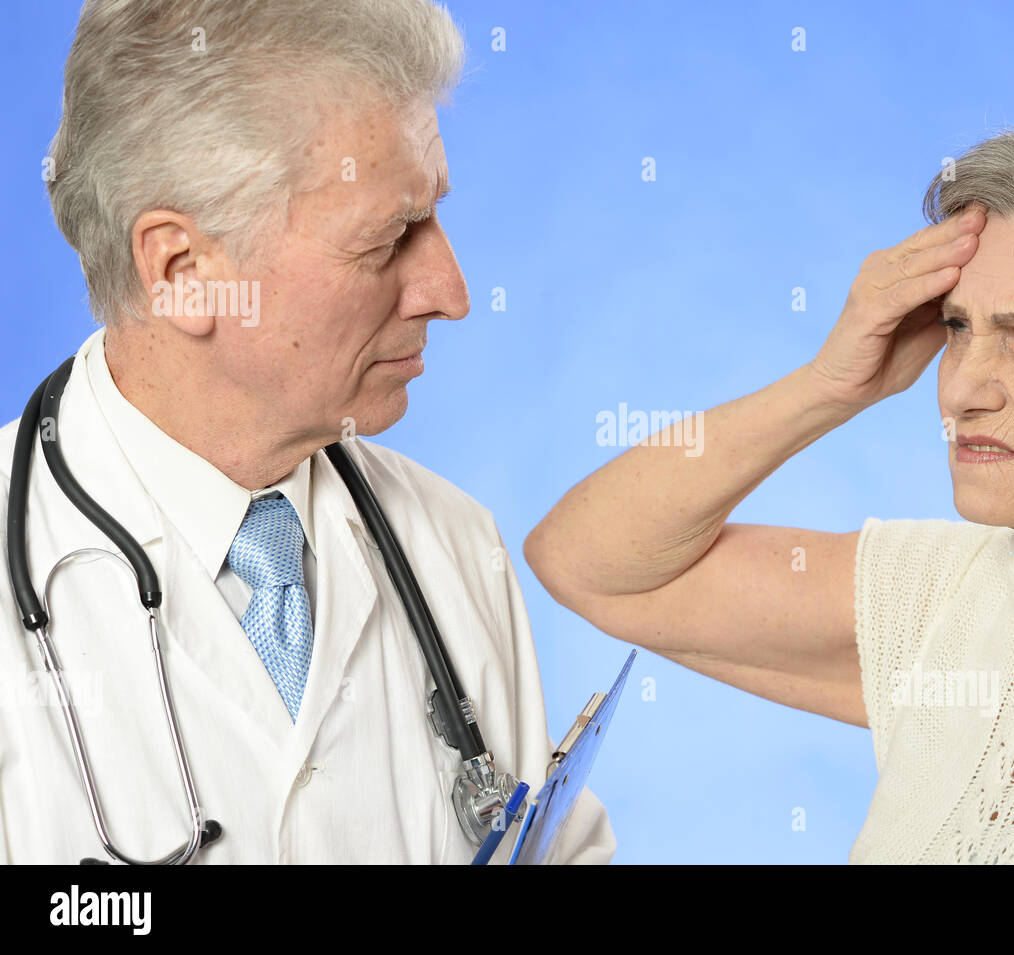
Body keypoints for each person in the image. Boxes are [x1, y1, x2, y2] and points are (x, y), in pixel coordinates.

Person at [525, 114, 1014, 863]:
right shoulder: (937, 598)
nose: (961, 388)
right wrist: (827, 386)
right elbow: (589, 562)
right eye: (960, 327)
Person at [0, 0, 615, 864]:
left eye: (433, 217)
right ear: (184, 271)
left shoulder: (455, 547)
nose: (451, 290)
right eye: (389, 239)